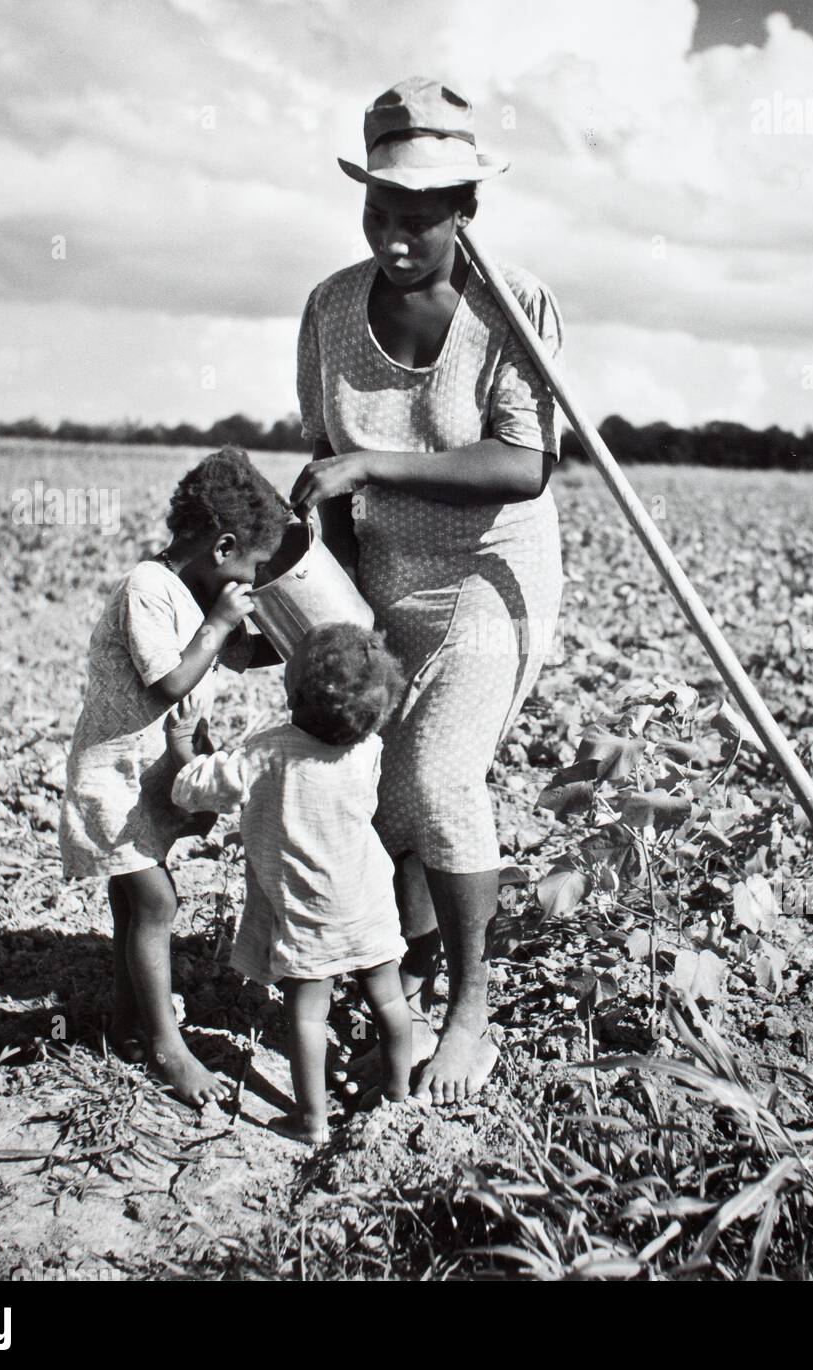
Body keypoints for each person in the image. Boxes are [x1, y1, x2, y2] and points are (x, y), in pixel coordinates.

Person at [288, 77, 565, 1104]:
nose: (395, 239)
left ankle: (470, 1011)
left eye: (419, 220)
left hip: (494, 574)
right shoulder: (328, 307)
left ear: (466, 213)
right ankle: (401, 979)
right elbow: (324, 458)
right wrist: (305, 577)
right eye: (379, 216)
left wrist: (371, 467)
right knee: (378, 793)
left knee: (442, 778)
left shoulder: (514, 307)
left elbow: (522, 463)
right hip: (384, 578)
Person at [58, 446, 287, 1106]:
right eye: (253, 565)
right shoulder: (148, 590)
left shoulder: (192, 591)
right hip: (112, 780)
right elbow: (168, 683)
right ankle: (166, 1047)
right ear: (222, 547)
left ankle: (131, 1025)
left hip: (144, 780)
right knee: (156, 903)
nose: (252, 581)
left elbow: (243, 653)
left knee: (135, 904)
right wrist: (218, 624)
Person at [169, 623, 411, 1144]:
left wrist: (184, 747)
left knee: (306, 1015)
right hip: (369, 900)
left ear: (294, 694)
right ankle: (396, 1096)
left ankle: (311, 1120)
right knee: (389, 1004)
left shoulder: (269, 751)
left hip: (308, 913)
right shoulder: (367, 749)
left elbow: (199, 790)